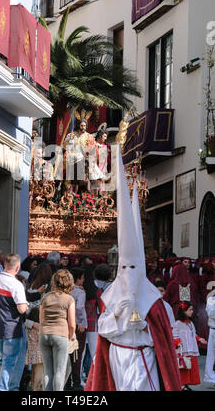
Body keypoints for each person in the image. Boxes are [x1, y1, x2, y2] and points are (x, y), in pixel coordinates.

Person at [85, 146, 181, 392]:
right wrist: (118, 315)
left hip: (141, 359)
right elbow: (103, 331)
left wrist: (143, 325)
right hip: (117, 358)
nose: (127, 272)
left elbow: (162, 338)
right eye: (123, 267)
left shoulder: (153, 301)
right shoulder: (111, 296)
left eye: (132, 267)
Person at [0, 253, 28, 391]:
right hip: (11, 327)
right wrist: (27, 305)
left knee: (2, 359)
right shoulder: (16, 284)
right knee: (9, 361)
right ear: (17, 267)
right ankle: (4, 388)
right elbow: (22, 309)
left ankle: (0, 386)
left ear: (4, 264)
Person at [39, 269, 76, 391]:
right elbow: (71, 324)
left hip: (44, 334)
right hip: (61, 334)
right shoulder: (69, 299)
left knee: (47, 371)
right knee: (60, 371)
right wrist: (70, 336)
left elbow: (41, 319)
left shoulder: (45, 297)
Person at [25, 263, 53, 391]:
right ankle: (37, 388)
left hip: (29, 326)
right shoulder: (47, 290)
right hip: (40, 325)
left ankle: (32, 384)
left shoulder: (30, 288)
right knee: (41, 361)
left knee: (35, 361)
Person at [173, 301, 207, 391]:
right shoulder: (178, 324)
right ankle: (182, 385)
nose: (192, 311)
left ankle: (186, 384)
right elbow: (174, 335)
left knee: (190, 368)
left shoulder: (190, 323)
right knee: (184, 368)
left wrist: (199, 339)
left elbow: (193, 334)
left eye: (192, 309)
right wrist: (178, 342)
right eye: (190, 310)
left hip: (191, 349)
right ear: (184, 311)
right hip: (183, 349)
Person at [67, 267, 87, 391]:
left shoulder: (65, 290)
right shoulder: (80, 292)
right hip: (78, 325)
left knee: (68, 354)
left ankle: (67, 381)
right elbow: (79, 308)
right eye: (82, 278)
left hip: (66, 324)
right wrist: (80, 322)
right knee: (77, 355)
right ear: (78, 278)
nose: (83, 280)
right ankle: (76, 382)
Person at [64, 119, 96, 194]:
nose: (83, 127)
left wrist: (88, 150)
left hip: (83, 157)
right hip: (72, 157)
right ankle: (68, 186)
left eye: (84, 126)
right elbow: (65, 145)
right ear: (78, 125)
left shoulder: (89, 136)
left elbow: (92, 147)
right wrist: (70, 139)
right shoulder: (71, 135)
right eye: (81, 125)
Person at [204, 290, 215, 384]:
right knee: (211, 354)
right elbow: (212, 313)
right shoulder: (211, 300)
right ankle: (210, 377)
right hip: (214, 329)